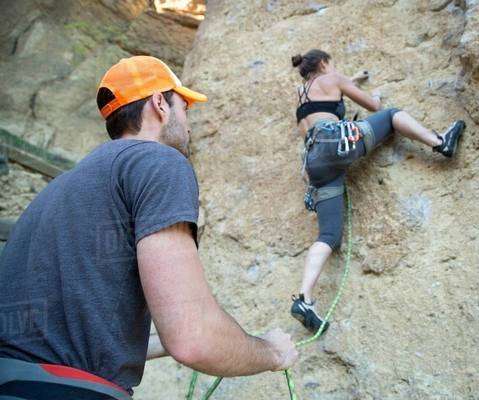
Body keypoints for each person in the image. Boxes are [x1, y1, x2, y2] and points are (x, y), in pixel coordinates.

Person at [0, 56, 298, 399]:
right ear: (160, 103)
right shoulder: (158, 162)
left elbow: (77, 340)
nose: (189, 125)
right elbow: (193, 339)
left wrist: (182, 338)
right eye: (184, 107)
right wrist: (273, 352)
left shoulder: (60, 189)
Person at [290, 49, 465, 333]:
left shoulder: (301, 93)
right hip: (336, 143)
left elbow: (321, 106)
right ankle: (439, 142)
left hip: (315, 163)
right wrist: (375, 95)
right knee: (393, 115)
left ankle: (305, 299)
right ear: (324, 63)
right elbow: (372, 106)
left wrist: (352, 80)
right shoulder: (332, 78)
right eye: (332, 65)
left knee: (329, 235)